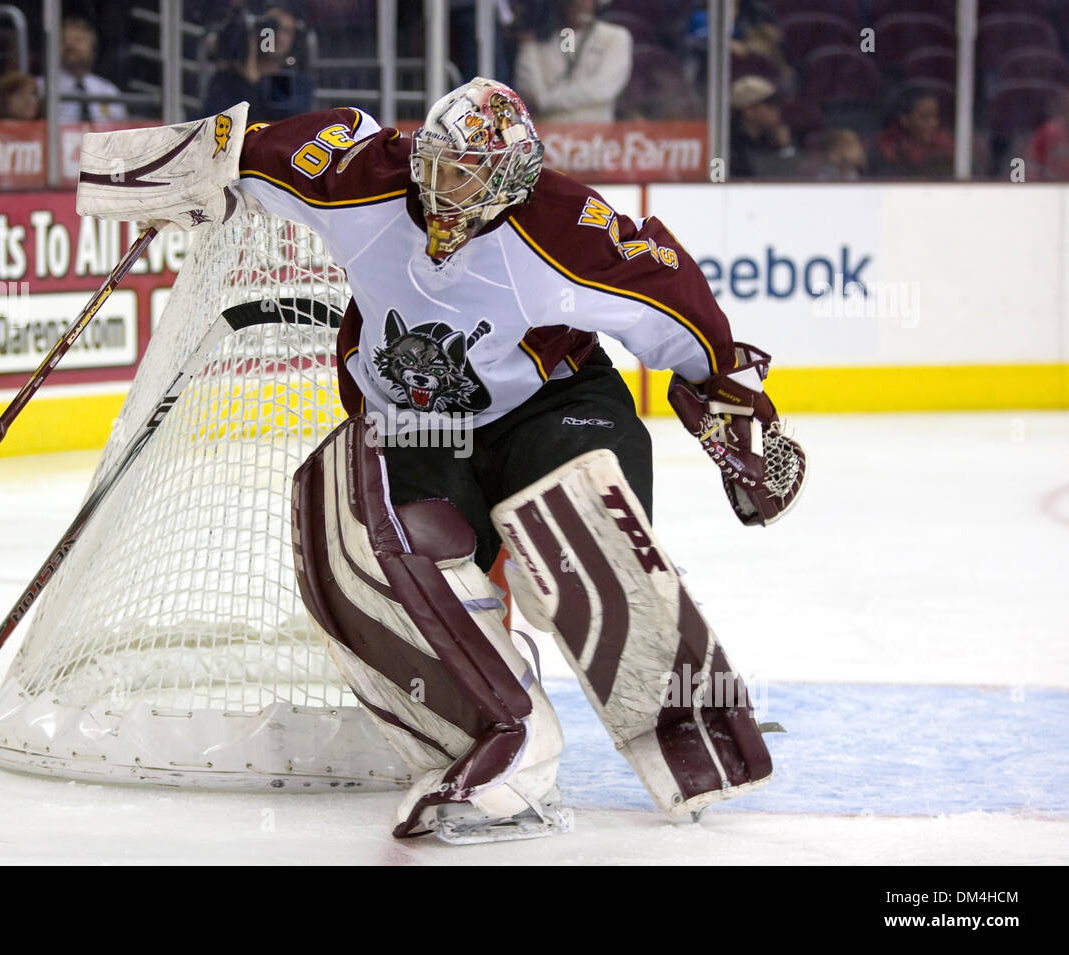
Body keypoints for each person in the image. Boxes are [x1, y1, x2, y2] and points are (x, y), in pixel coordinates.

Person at [77, 78, 805, 842]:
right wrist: (152, 177)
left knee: (574, 521)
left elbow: (679, 308)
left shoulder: (566, 228)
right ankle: (503, 742)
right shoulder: (362, 177)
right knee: (377, 540)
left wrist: (738, 418)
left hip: (551, 404)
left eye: (468, 172)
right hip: (416, 423)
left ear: (513, 180)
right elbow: (245, 153)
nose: (440, 185)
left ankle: (684, 724)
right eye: (436, 161)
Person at [512, 0, 632, 122]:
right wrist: (528, 47)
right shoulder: (540, 40)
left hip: (595, 135)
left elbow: (603, 87)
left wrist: (544, 102)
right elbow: (530, 94)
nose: (579, 3)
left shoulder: (614, 37)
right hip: (548, 134)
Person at [199, 4, 315, 123]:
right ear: (258, 31)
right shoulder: (228, 79)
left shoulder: (295, 79)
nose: (279, 37)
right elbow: (212, 120)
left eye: (287, 31)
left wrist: (255, 81)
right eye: (270, 29)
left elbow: (283, 120)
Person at [870, 87, 953, 179]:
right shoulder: (885, 147)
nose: (934, 123)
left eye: (935, 116)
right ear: (904, 119)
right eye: (924, 117)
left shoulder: (947, 143)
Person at [55, 16, 127, 123]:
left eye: (78, 40)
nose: (70, 45)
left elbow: (121, 132)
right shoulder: (42, 88)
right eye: (64, 40)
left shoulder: (108, 91)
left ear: (93, 49)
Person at [729, 74, 799, 179]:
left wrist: (785, 148)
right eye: (770, 104)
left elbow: (793, 181)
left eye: (778, 103)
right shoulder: (729, 144)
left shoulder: (771, 138)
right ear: (749, 110)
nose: (777, 109)